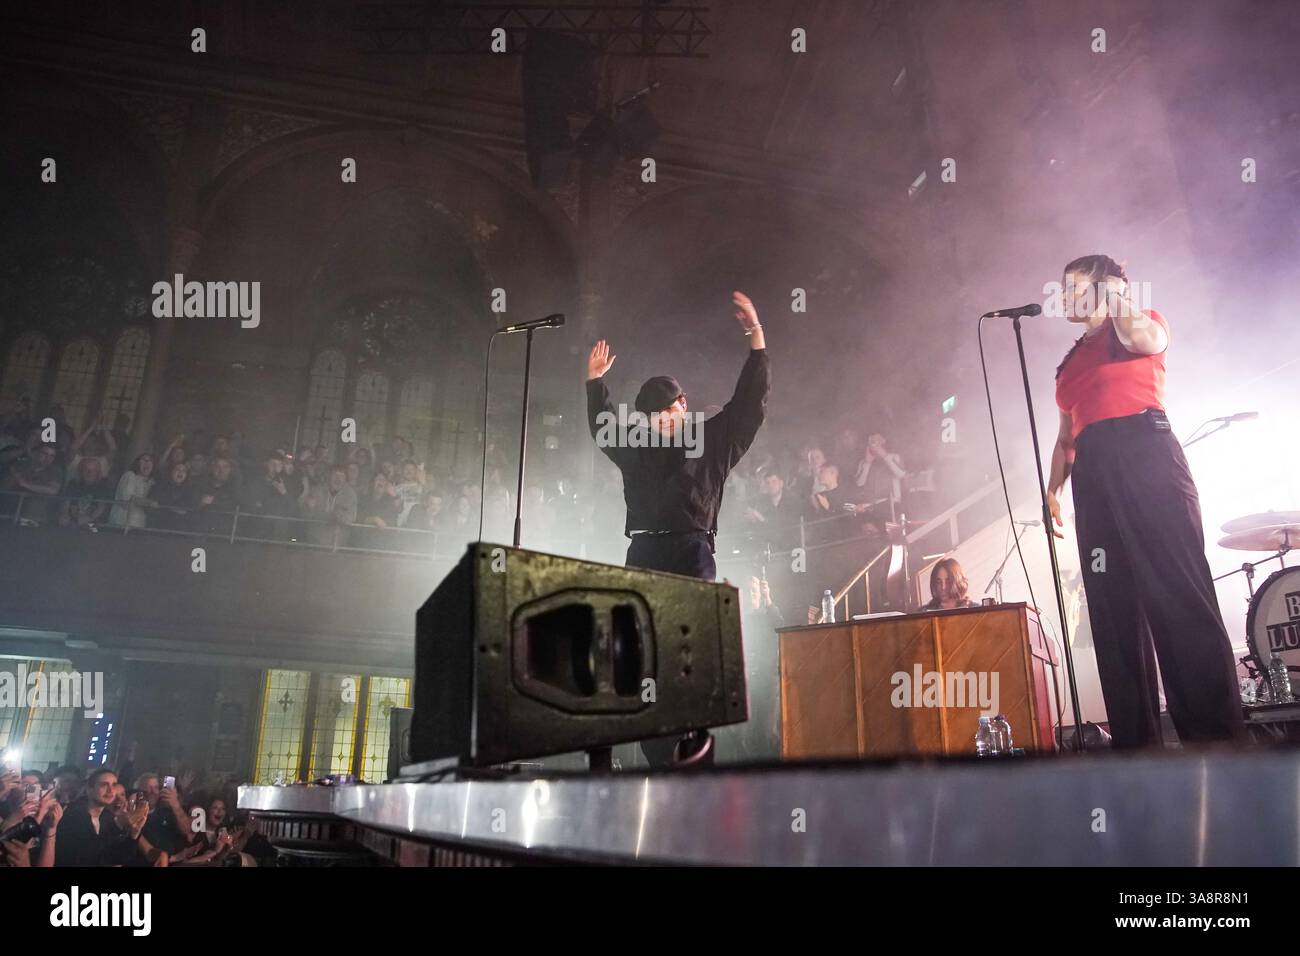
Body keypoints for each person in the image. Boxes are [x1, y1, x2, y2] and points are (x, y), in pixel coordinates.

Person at [1047, 253, 1245, 749]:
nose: (1064, 297)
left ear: (1107, 286)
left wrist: (1116, 294)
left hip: (1146, 454)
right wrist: (1052, 488)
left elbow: (1143, 340)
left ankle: (1217, 743)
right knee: (1112, 612)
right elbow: (1066, 435)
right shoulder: (1069, 363)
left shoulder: (1141, 325)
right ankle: (1136, 749)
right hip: (1092, 472)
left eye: (1074, 287)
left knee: (1177, 594)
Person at [586, 290, 770, 766]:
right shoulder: (637, 445)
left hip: (692, 553)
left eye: (668, 412)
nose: (662, 421)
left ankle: (696, 757)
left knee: (690, 658)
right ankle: (655, 755)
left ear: (682, 406)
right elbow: (603, 426)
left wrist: (756, 339)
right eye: (652, 416)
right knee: (643, 659)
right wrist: (594, 384)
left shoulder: (711, 439)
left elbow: (748, 406)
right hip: (644, 555)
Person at [109, 453, 155, 528]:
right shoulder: (129, 475)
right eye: (144, 460)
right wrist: (148, 502)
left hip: (139, 524)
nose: (147, 462)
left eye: (150, 461)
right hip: (121, 523)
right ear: (137, 463)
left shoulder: (152, 482)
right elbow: (127, 498)